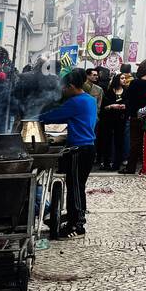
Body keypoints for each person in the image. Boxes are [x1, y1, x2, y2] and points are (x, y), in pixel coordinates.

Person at [39, 69, 99, 236]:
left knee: (75, 186)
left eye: (65, 88)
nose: (63, 90)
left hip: (78, 149)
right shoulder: (90, 99)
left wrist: (35, 117)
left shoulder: (75, 102)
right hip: (89, 147)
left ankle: (77, 224)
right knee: (78, 185)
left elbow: (54, 116)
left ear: (72, 86)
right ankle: (75, 216)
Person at [123, 60, 146, 174]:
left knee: (135, 142)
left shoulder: (135, 83)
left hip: (136, 115)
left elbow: (127, 97)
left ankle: (131, 168)